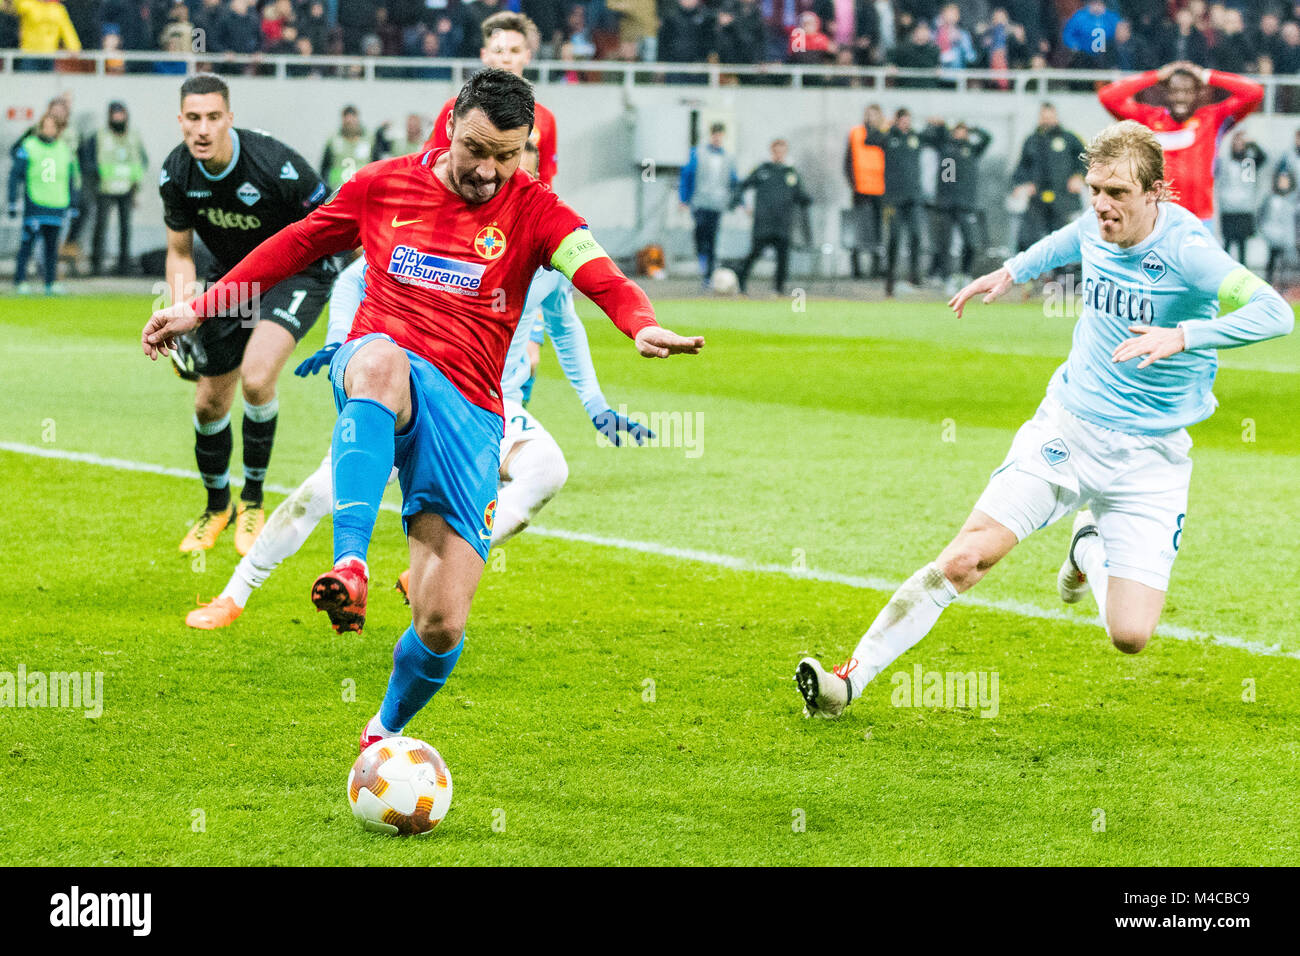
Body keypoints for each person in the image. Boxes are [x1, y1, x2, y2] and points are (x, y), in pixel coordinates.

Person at [141, 69, 704, 756]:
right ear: (449, 127)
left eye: (509, 154)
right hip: (383, 369)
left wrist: (637, 323)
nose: (491, 170)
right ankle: (350, 566)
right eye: (477, 149)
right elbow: (293, 246)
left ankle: (382, 733)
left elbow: (602, 275)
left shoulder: (537, 209)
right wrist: (198, 307)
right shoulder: (382, 186)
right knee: (379, 361)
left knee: (441, 624)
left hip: (470, 411)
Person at [795, 120, 1293, 719]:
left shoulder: (1189, 251)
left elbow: (1274, 314)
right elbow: (1066, 240)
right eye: (1096, 191)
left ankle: (1087, 546)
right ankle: (847, 682)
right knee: (966, 558)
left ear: (1156, 192)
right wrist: (1011, 272)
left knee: (1131, 635)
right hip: (1070, 428)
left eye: (1119, 195)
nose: (1103, 207)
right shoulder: (1095, 225)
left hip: (1152, 458)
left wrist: (1184, 334)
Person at [184, 140, 656, 630]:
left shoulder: (544, 238)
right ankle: (236, 592)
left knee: (547, 469)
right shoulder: (434, 220)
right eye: (486, 166)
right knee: (321, 492)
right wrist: (343, 341)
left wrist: (598, 400)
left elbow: (568, 326)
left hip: (484, 405)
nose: (497, 180)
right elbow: (345, 273)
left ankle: (430, 570)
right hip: (405, 388)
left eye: (516, 171)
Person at [158, 73, 337, 556]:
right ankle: (219, 508)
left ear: (229, 119)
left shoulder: (276, 165)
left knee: (257, 378)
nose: (202, 129)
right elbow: (179, 251)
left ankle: (254, 500)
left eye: (213, 117)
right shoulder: (176, 174)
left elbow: (334, 218)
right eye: (193, 118)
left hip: (298, 274)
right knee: (208, 404)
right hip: (232, 281)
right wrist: (183, 311)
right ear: (180, 121)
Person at [1098, 60, 1263, 224]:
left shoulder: (1213, 119)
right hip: (1156, 221)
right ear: (1165, 93)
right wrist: (1156, 76)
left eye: (1187, 91)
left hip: (1199, 221)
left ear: (1198, 93)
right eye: (1174, 91)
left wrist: (1207, 75)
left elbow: (1254, 92)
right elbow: (1108, 96)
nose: (1180, 98)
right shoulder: (1148, 119)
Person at [425, 12, 558, 187]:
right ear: (484, 54)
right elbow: (432, 166)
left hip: (515, 212)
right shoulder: (456, 108)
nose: (506, 58)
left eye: (514, 51)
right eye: (499, 50)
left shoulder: (545, 119)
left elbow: (545, 182)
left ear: (527, 56)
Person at [7, 111, 78, 295]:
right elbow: (15, 174)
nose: (48, 129)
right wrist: (13, 200)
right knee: (27, 245)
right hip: (35, 203)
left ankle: (50, 282)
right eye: (45, 126)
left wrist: (73, 203)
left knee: (52, 248)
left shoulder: (63, 148)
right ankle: (20, 280)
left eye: (52, 126)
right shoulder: (29, 146)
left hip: (57, 203)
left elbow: (70, 177)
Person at [735, 139, 811, 296]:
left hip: (783, 223)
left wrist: (807, 199)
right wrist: (744, 206)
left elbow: (800, 195)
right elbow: (743, 186)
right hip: (763, 222)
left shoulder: (791, 173)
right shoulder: (763, 170)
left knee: (783, 257)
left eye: (782, 151)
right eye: (776, 151)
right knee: (754, 253)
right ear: (772, 151)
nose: (779, 154)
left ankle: (778, 289)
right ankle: (740, 282)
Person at [1010, 102, 1087, 260]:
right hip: (1037, 199)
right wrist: (1020, 184)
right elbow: (1022, 166)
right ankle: (1029, 279)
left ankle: (1063, 277)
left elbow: (1087, 159)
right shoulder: (1031, 140)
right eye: (1044, 117)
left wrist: (1079, 177)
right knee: (1027, 238)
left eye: (1050, 117)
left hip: (1064, 198)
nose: (1047, 120)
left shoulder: (1069, 138)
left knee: (1064, 241)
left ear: (1056, 117)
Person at [881, 108, 938, 296]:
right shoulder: (889, 137)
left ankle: (914, 276)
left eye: (908, 120)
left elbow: (938, 139)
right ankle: (890, 278)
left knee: (916, 237)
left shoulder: (915, 137)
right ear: (896, 121)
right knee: (894, 238)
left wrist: (938, 124)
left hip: (913, 197)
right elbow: (869, 139)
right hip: (894, 199)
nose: (906, 123)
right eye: (903, 120)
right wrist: (886, 127)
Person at [930, 119, 991, 291]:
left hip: (966, 204)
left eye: (963, 130)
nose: (960, 133)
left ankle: (964, 275)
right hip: (945, 205)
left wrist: (974, 127)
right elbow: (929, 137)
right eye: (957, 130)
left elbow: (987, 138)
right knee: (944, 244)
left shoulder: (971, 149)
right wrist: (939, 126)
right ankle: (947, 277)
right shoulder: (944, 147)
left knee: (971, 243)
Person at [88, 101, 147, 276]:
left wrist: (137, 187)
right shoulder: (100, 135)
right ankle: (96, 264)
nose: (118, 118)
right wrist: (97, 175)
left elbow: (141, 161)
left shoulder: (133, 136)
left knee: (125, 228)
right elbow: (89, 159)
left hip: (127, 187)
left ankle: (124, 265)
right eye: (115, 115)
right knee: (101, 227)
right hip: (105, 187)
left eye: (120, 114)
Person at [680, 122, 739, 291]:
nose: (717, 137)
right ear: (711, 135)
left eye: (720, 135)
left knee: (712, 239)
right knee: (700, 234)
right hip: (699, 202)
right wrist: (683, 199)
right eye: (715, 134)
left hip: (717, 205)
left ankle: (708, 275)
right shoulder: (698, 153)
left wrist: (739, 203)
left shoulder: (728, 158)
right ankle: (703, 262)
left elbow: (734, 181)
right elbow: (687, 175)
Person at [845, 104, 886, 279]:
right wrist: (853, 183)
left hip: (880, 189)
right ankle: (856, 269)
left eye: (875, 115)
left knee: (878, 231)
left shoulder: (885, 134)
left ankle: (876, 269)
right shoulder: (856, 133)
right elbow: (847, 161)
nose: (872, 118)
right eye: (869, 114)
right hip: (861, 190)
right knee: (859, 230)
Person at [1217, 130, 1265, 264]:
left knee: (1242, 244)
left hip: (1244, 208)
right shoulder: (1226, 161)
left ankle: (1243, 270)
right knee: (1227, 242)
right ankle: (1224, 270)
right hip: (1228, 208)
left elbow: (1263, 158)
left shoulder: (1248, 163)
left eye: (1242, 142)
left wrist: (1252, 144)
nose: (1239, 145)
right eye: (1236, 142)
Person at [320, 106, 375, 190]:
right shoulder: (333, 141)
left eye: (353, 119)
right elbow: (324, 167)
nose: (350, 123)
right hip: (338, 190)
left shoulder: (369, 140)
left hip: (363, 190)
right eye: (347, 121)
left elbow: (377, 164)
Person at [1258, 170, 1294, 287]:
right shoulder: (1271, 199)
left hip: (1288, 236)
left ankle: (1285, 285)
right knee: (1272, 260)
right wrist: (1265, 230)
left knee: (1286, 263)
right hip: (1273, 236)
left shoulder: (1293, 200)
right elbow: (1262, 215)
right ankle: (1268, 283)